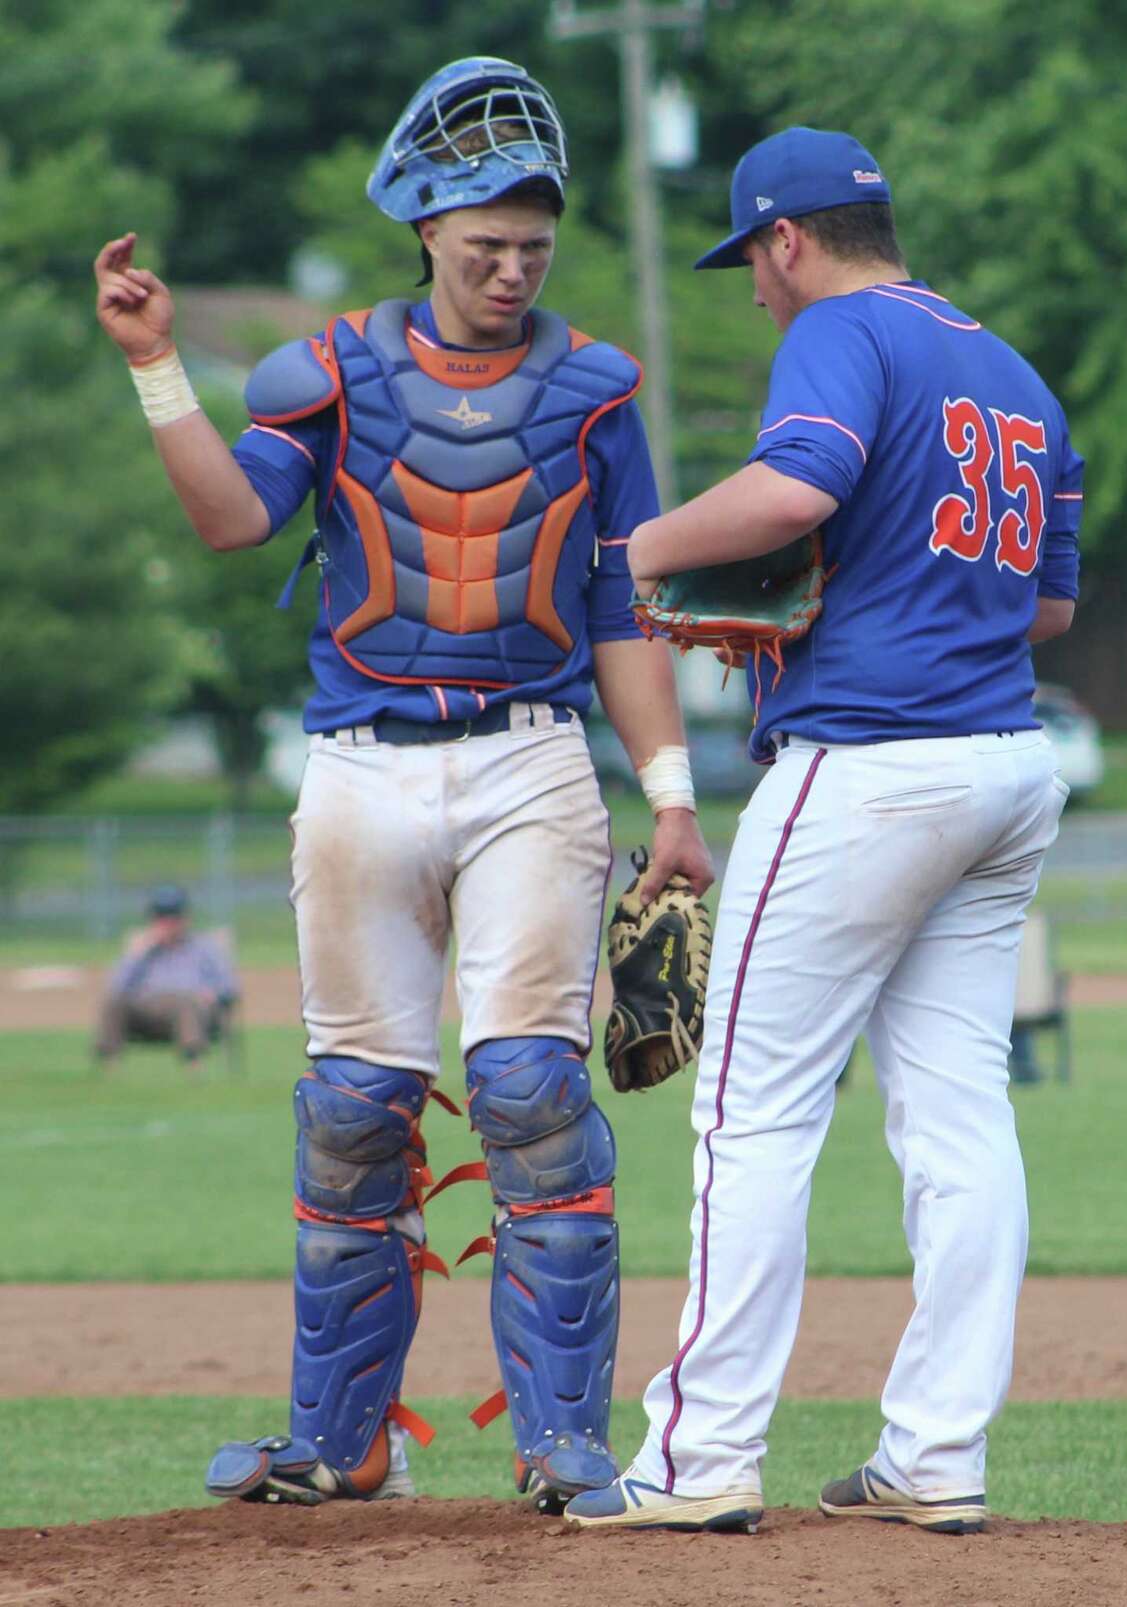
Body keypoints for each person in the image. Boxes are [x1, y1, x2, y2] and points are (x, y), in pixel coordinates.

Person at [93, 56, 711, 1513]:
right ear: (424, 227)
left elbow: (621, 606)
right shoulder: (324, 375)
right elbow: (234, 522)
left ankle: (562, 1443)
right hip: (361, 765)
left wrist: (674, 794)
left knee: (530, 1089)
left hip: (531, 754)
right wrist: (157, 366)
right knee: (355, 1106)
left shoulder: (596, 390)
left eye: (534, 246)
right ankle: (341, 1441)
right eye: (486, 242)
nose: (512, 268)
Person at [566, 125, 1082, 1535]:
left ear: (789, 238)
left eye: (753, 258)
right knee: (961, 1114)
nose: (754, 288)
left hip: (868, 765)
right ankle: (937, 1451)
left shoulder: (840, 330)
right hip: (1007, 769)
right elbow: (1046, 606)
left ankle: (699, 1456)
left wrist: (637, 552)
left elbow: (797, 488)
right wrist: (887, 584)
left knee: (752, 1109)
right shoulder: (1016, 373)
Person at [95, 884, 239, 1067]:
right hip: (149, 1010)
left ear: (186, 917)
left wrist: (214, 995)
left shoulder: (205, 948)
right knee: (115, 1003)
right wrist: (137, 954)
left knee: (185, 1003)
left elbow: (229, 987)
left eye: (174, 916)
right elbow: (116, 987)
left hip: (193, 1008)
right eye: (162, 916)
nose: (168, 923)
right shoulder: (142, 950)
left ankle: (194, 1066)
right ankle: (109, 1068)